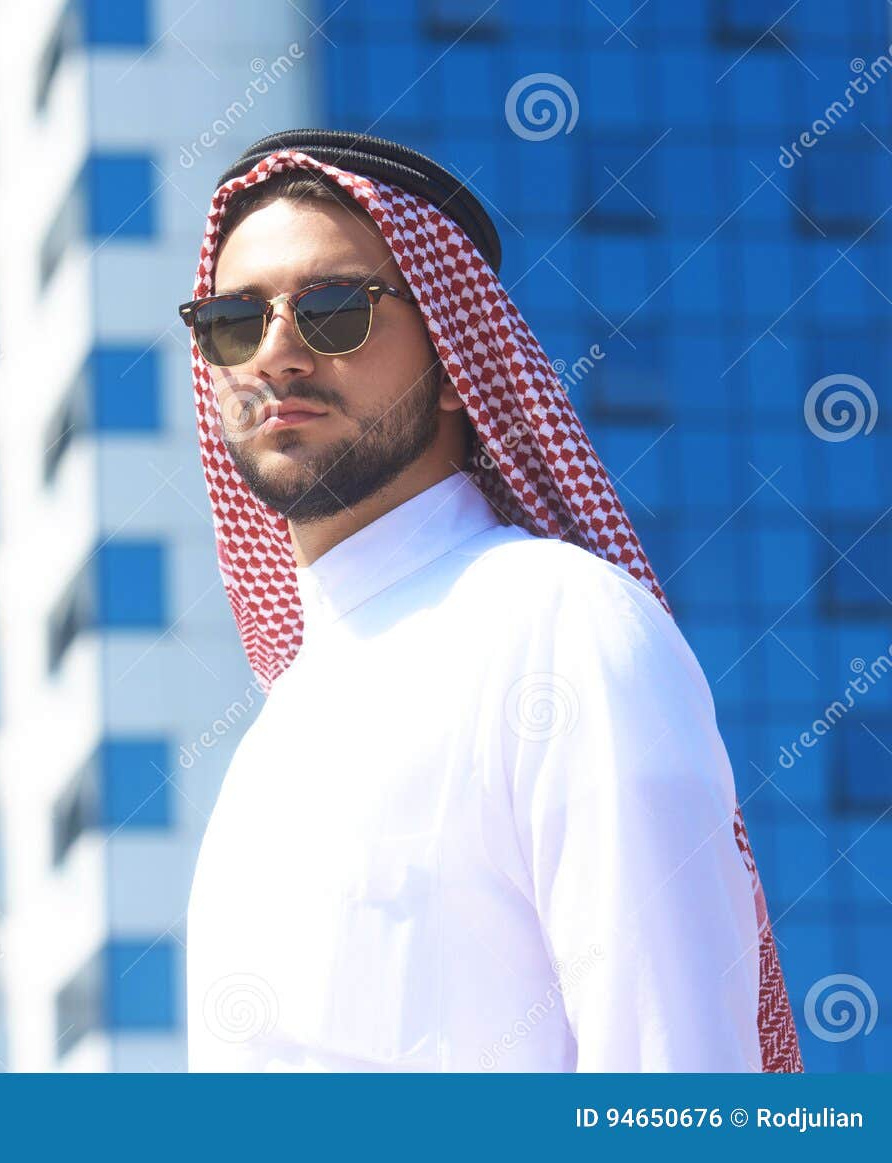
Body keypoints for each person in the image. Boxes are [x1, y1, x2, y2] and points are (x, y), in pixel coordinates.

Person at [179, 130, 802, 1072]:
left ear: (457, 364)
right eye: (235, 320)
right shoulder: (279, 726)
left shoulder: (558, 624)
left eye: (335, 309)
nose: (277, 353)